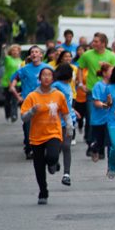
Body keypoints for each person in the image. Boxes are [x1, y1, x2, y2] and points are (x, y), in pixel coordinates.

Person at [20, 66, 68, 205]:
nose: (46, 77)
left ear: (53, 78)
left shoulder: (58, 95)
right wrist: (32, 111)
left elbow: (65, 112)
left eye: (49, 75)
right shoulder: (32, 96)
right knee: (39, 165)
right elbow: (23, 117)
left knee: (52, 156)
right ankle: (43, 191)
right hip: (36, 136)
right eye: (44, 75)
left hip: (54, 132)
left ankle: (53, 163)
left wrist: (70, 127)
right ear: (39, 78)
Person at [10, 46, 54, 159]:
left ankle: (43, 146)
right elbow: (13, 82)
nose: (34, 54)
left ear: (41, 55)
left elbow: (55, 84)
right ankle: (29, 148)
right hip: (28, 101)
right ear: (30, 56)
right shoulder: (25, 69)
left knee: (44, 124)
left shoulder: (48, 68)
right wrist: (17, 95)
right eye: (32, 52)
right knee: (28, 126)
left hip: (44, 100)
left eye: (36, 52)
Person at [1, 44, 23, 122]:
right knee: (7, 100)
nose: (15, 52)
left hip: (17, 83)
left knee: (14, 100)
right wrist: (4, 49)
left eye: (16, 51)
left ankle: (14, 115)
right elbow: (4, 55)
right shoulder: (8, 59)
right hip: (7, 82)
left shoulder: (21, 61)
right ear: (11, 52)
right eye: (13, 51)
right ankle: (8, 114)